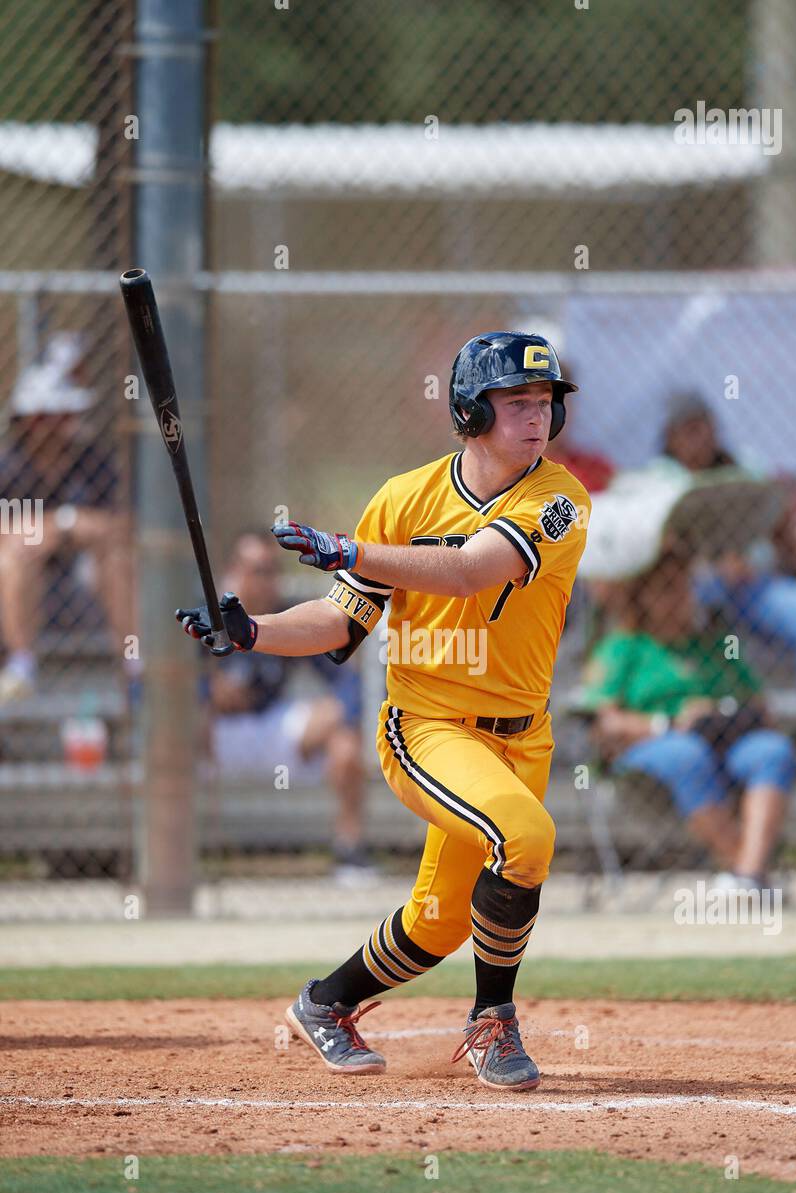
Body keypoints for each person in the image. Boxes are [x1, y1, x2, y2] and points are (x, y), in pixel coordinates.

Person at [177, 331, 591, 1089]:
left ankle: (324, 1003)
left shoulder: (559, 499)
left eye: (544, 404)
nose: (536, 419)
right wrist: (252, 633)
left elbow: (471, 571)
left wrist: (348, 550)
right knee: (526, 838)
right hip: (427, 728)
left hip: (522, 738)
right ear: (470, 409)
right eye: (516, 403)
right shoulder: (402, 499)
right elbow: (342, 621)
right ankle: (492, 1023)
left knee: (439, 918)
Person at [580, 542, 796, 889]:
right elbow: (602, 723)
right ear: (642, 596)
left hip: (724, 744)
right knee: (686, 752)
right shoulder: (624, 647)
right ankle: (751, 875)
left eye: (685, 586)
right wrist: (670, 724)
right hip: (654, 752)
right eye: (667, 588)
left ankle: (746, 876)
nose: (681, 596)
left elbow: (760, 708)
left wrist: (719, 715)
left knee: (772, 750)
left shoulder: (715, 645)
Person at [655, 392, 796, 693]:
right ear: (670, 437)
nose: (700, 438)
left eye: (705, 426)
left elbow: (779, 526)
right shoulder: (659, 479)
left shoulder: (743, 469)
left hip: (754, 587)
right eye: (689, 430)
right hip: (691, 590)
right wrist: (711, 565)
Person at [206, 531, 373, 881]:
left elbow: (347, 682)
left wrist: (346, 714)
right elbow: (156, 685)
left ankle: (349, 852)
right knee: (181, 720)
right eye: (257, 570)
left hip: (273, 727)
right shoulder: (206, 612)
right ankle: (170, 861)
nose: (268, 581)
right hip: (213, 735)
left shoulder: (285, 614)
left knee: (344, 737)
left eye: (272, 570)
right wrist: (208, 690)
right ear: (234, 571)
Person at [0, 334, 134, 702]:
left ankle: (134, 669)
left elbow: (118, 527)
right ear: (28, 422)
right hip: (28, 574)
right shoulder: (10, 466)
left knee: (118, 557)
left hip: (84, 570)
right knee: (13, 556)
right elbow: (10, 534)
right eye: (48, 418)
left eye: (64, 416)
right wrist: (70, 526)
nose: (60, 426)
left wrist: (58, 523)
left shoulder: (90, 461)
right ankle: (21, 666)